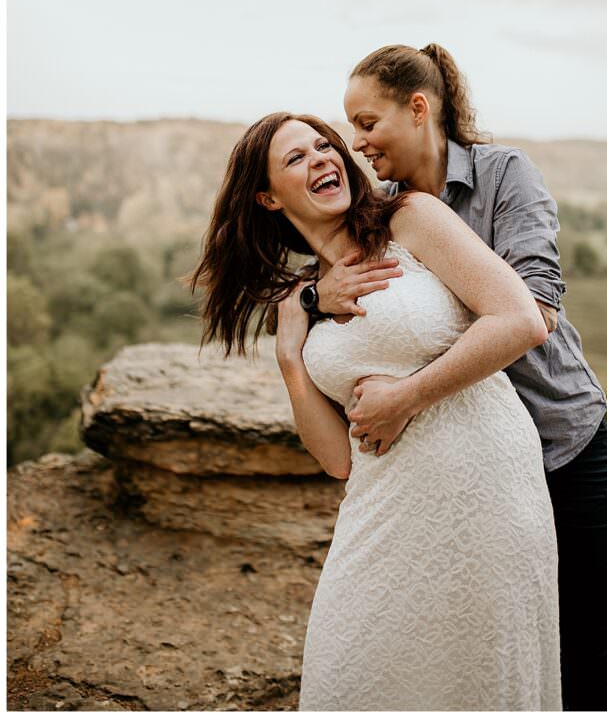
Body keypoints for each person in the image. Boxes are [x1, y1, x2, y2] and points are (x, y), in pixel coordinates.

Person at [191, 111, 561, 711]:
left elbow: (520, 319)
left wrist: (406, 396)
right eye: (295, 158)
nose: (321, 158)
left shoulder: (409, 218)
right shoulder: (303, 297)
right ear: (266, 197)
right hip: (381, 506)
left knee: (477, 677)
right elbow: (338, 458)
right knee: (349, 671)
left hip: (487, 484)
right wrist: (290, 355)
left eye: (324, 145)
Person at [307, 42, 607, 711]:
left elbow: (531, 309)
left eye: (367, 123)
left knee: (586, 665)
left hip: (561, 446)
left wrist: (407, 392)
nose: (356, 143)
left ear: (418, 108)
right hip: (469, 475)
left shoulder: (506, 174)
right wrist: (315, 298)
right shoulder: (384, 207)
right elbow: (322, 271)